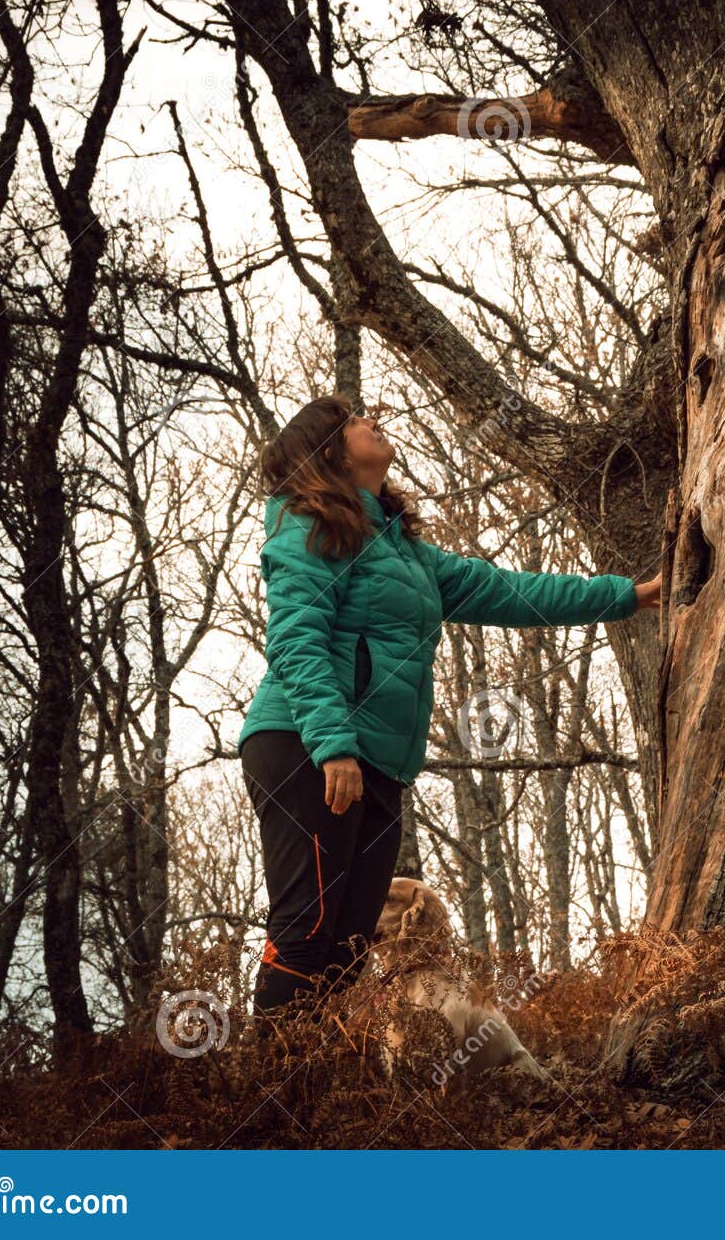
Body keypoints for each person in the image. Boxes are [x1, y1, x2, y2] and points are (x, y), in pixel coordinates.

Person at [238, 394, 660, 1014]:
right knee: (305, 932)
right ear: (329, 447)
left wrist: (630, 595)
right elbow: (296, 639)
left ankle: (319, 1097)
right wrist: (333, 745)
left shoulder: (404, 550)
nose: (372, 417)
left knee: (349, 948)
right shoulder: (308, 521)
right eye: (353, 418)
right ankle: (269, 1100)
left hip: (378, 760)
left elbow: (512, 592)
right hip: (305, 745)